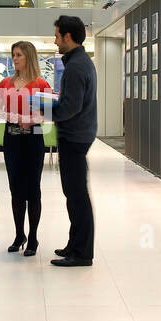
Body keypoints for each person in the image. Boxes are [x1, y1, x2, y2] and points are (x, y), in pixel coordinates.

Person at [0, 41, 52, 256]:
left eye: (19, 54)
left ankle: (34, 238)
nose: (15, 58)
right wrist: (14, 117)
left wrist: (29, 119)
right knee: (15, 189)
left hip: (33, 139)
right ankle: (19, 234)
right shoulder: (5, 83)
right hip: (11, 140)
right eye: (13, 55)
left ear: (29, 57)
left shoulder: (42, 84)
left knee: (33, 189)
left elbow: (47, 115)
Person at [49, 15, 97, 267]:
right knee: (74, 194)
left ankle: (82, 253)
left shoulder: (76, 66)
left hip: (74, 137)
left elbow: (70, 108)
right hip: (78, 135)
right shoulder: (79, 62)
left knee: (77, 195)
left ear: (68, 37)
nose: (55, 41)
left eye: (57, 36)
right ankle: (74, 245)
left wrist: (45, 110)